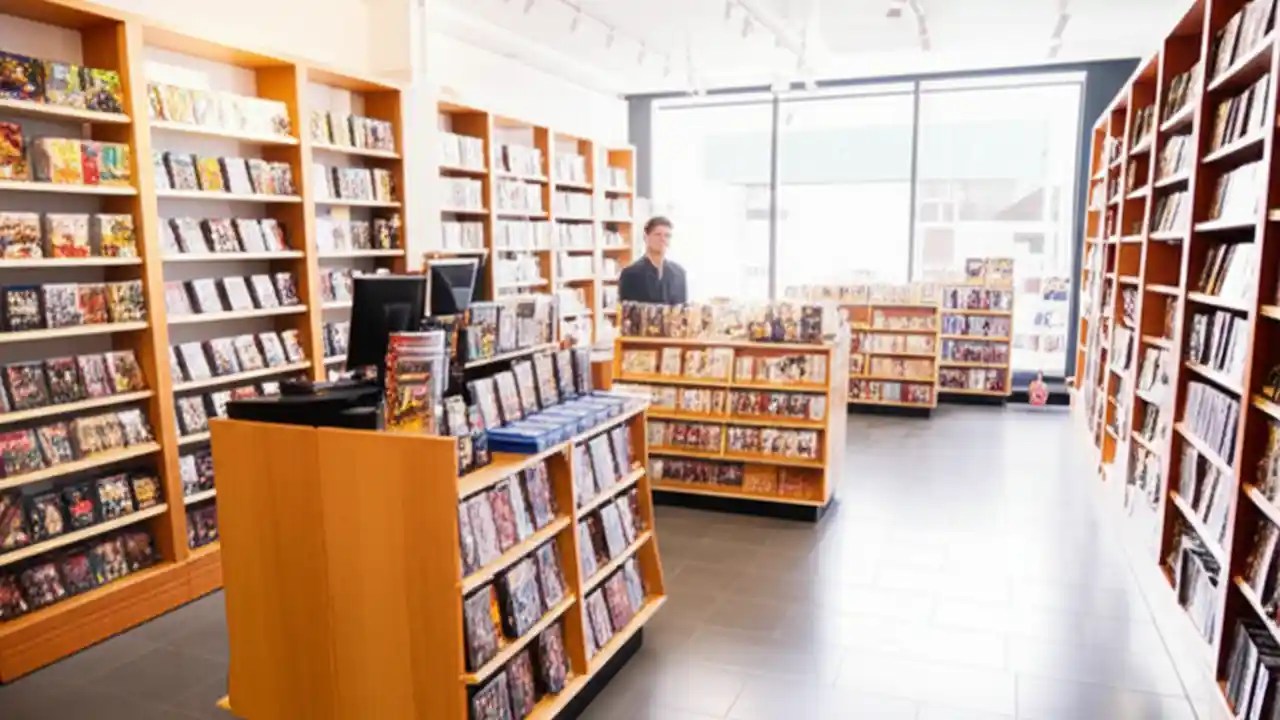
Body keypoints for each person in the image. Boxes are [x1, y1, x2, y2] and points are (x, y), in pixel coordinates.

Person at [618, 216, 687, 305]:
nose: (663, 239)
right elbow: (626, 311)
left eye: (667, 235)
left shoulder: (679, 273)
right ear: (646, 237)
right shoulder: (630, 273)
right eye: (658, 234)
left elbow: (683, 310)